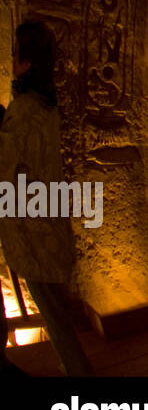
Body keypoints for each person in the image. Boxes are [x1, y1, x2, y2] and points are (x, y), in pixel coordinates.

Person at [0, 20, 92, 376]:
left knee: (55, 319)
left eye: (16, 55)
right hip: (48, 220)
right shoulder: (46, 106)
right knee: (58, 314)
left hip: (30, 229)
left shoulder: (22, 109)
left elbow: (7, 169)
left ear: (25, 63)